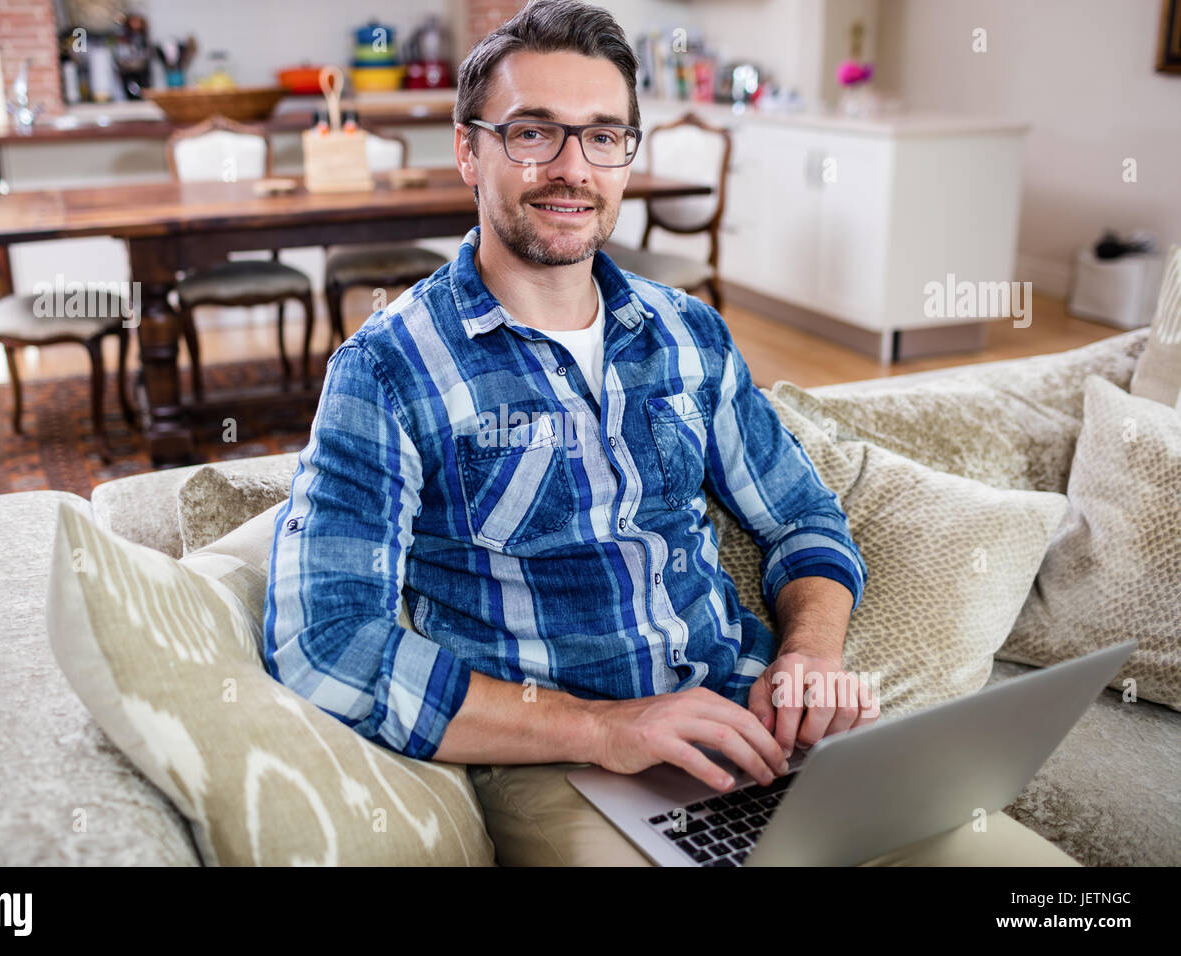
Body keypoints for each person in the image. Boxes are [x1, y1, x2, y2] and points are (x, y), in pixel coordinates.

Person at [263, 0, 1078, 867]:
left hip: (747, 728)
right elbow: (325, 643)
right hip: (565, 765)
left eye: (604, 136)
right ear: (469, 150)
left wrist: (809, 655)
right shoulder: (387, 370)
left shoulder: (688, 334)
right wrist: (610, 728)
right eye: (534, 133)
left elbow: (804, 516)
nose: (572, 168)